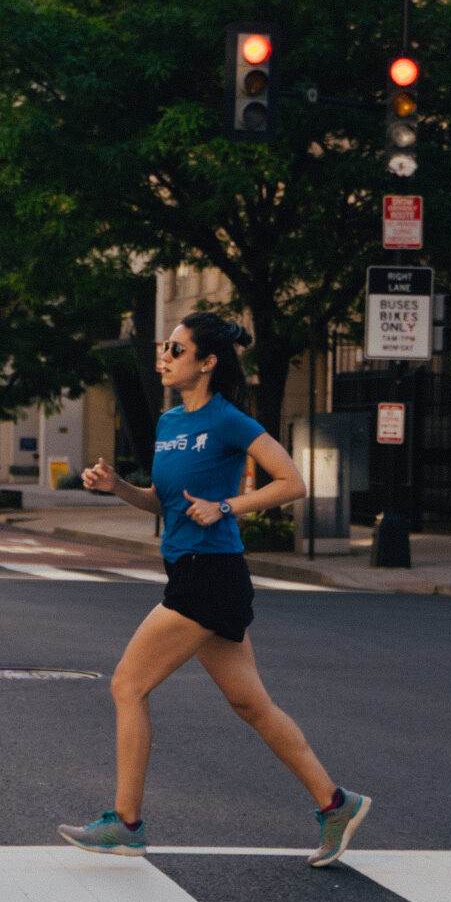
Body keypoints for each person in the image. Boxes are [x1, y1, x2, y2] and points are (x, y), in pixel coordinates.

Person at [60, 311, 370, 868]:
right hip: (191, 569)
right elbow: (164, 502)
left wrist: (227, 506)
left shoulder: (228, 420)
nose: (164, 355)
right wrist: (118, 488)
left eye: (175, 350)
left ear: (206, 362)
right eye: (164, 346)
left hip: (211, 573)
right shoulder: (169, 423)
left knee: (127, 686)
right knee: (251, 704)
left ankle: (126, 823)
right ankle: (336, 804)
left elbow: (292, 482)